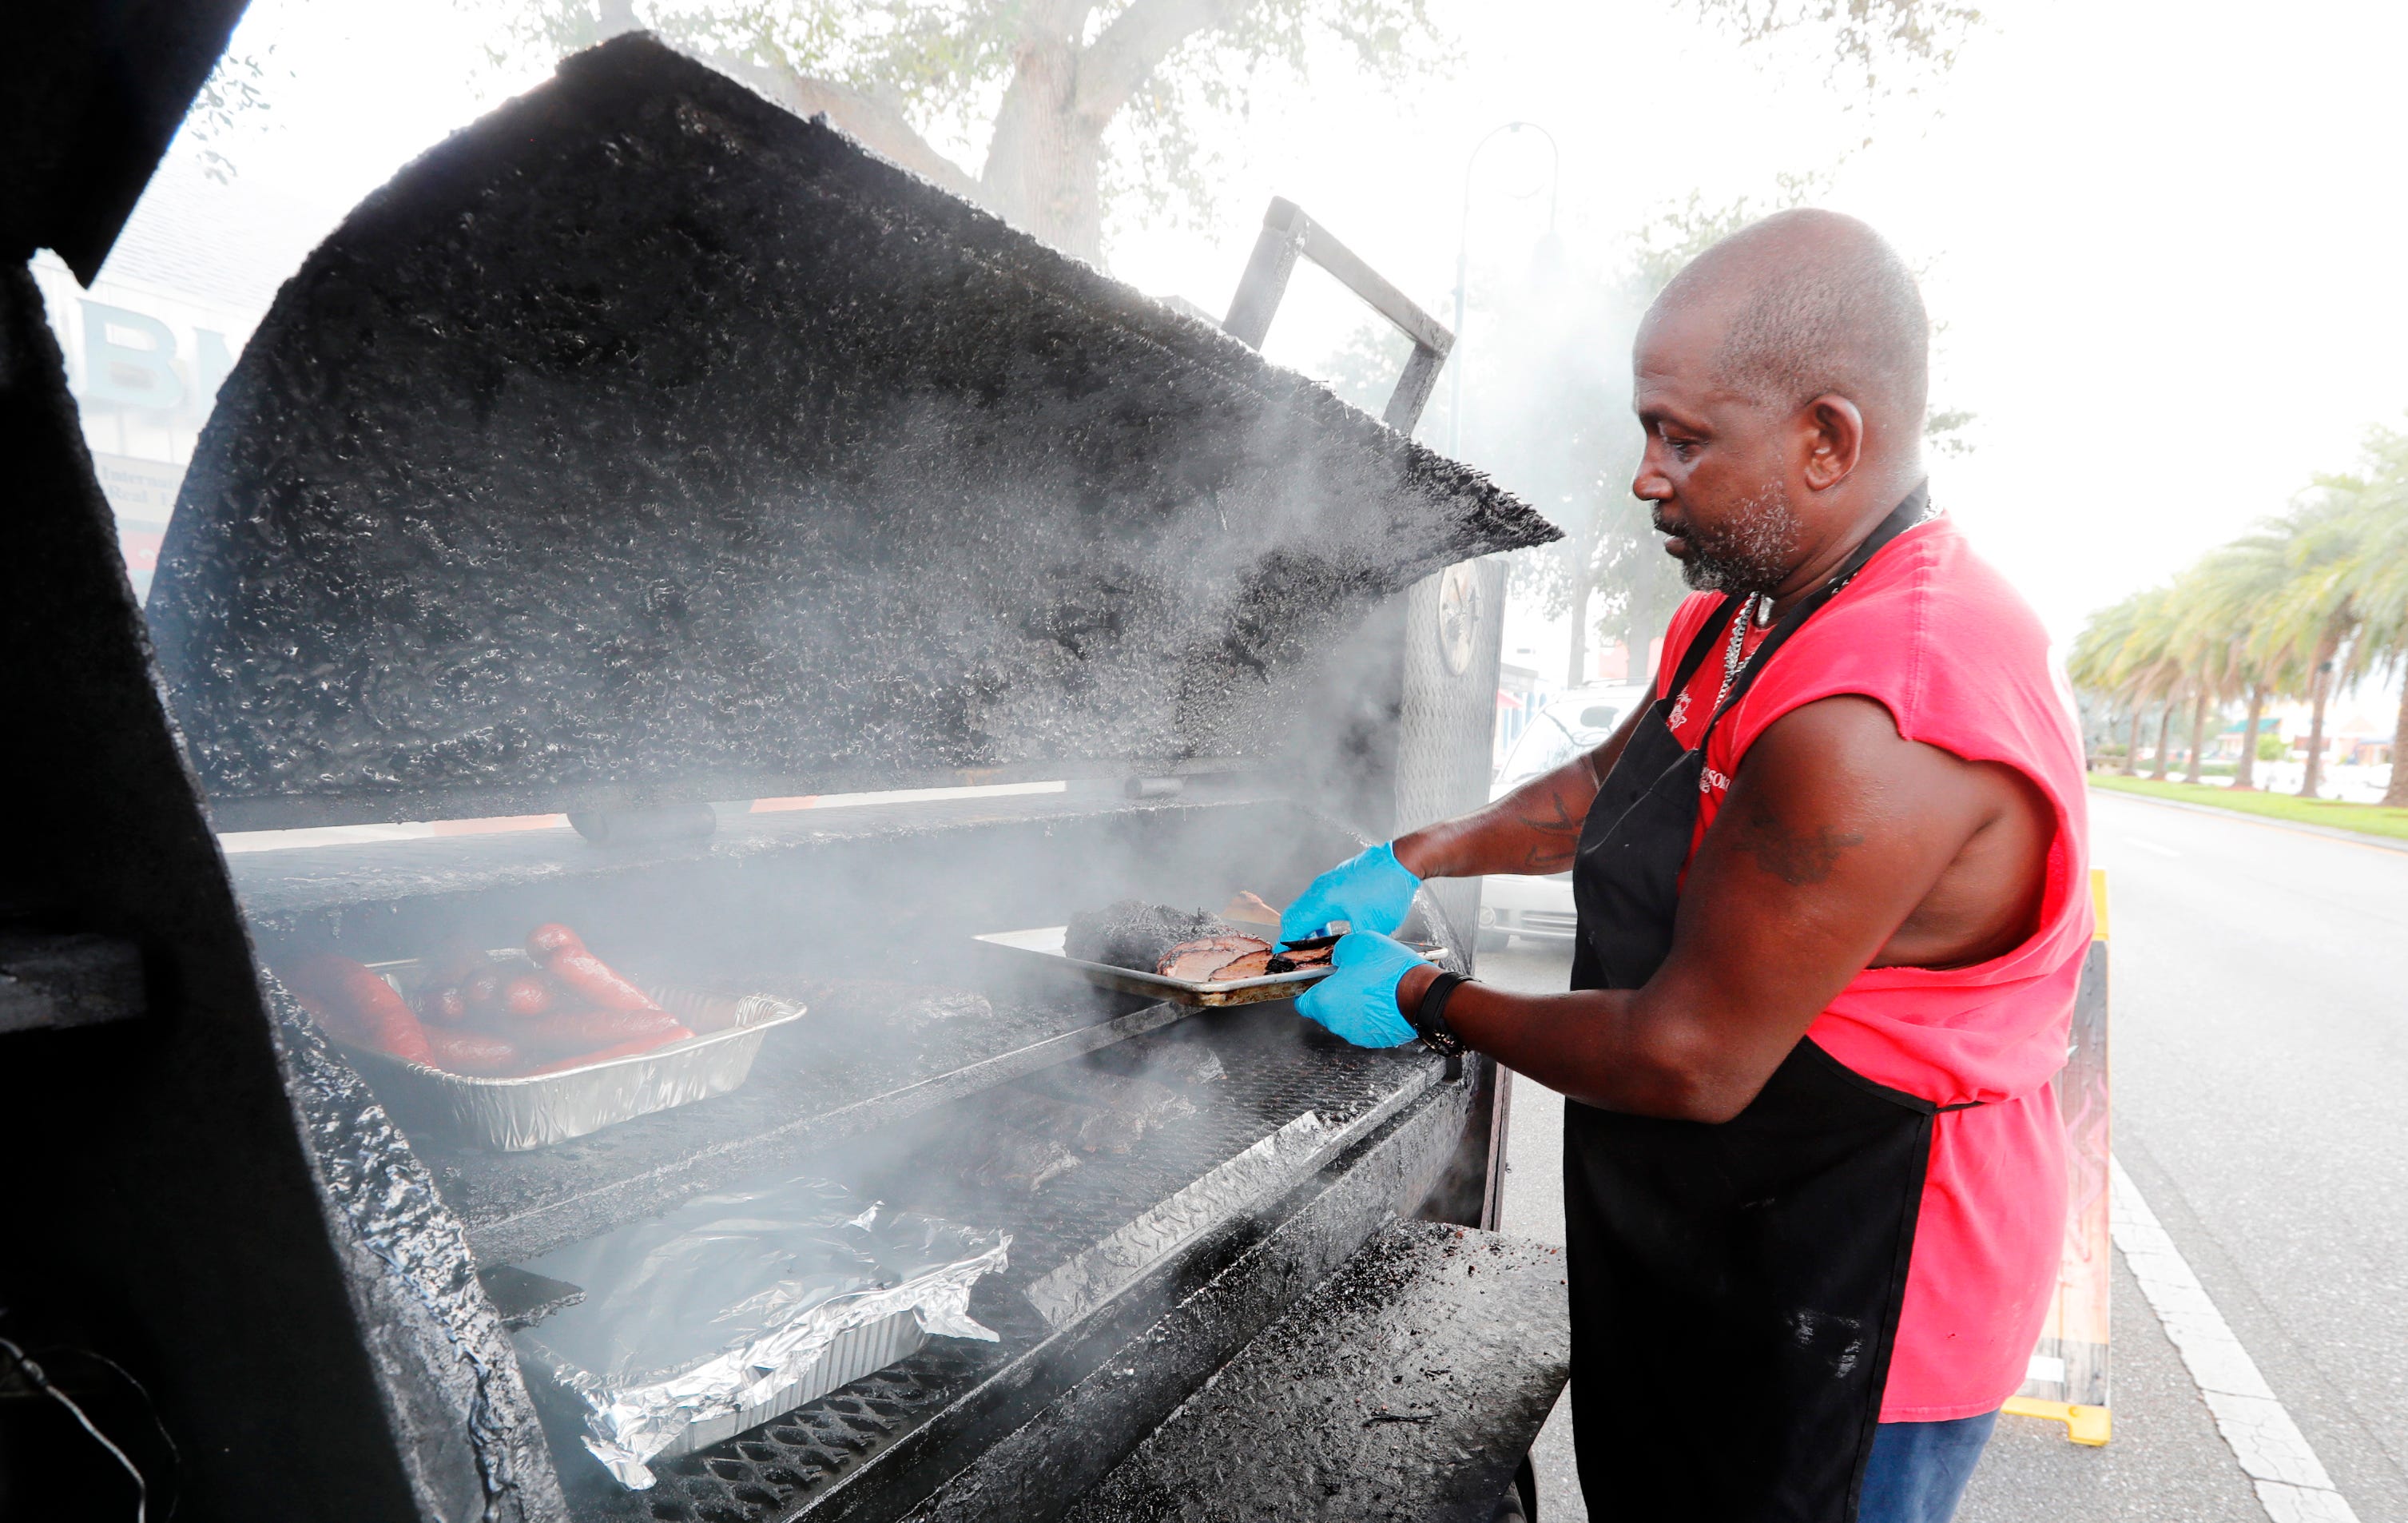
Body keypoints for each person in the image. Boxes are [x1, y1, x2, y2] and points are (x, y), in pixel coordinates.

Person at [1283, 209, 2091, 1523]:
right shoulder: (1747, 607)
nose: (1647, 476)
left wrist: (1424, 996)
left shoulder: (1878, 712)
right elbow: (1612, 785)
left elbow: (1689, 1059)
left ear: (1828, 438)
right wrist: (1410, 855)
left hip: (1854, 1294)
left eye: (1684, 438)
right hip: (1723, 1228)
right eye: (1646, 431)